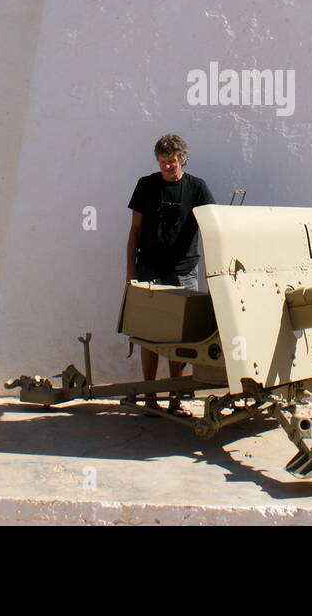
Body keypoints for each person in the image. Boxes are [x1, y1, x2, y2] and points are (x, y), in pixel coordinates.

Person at [126, 133, 215, 416]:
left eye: (172, 162)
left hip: (184, 272)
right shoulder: (146, 186)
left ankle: (176, 400)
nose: (166, 167)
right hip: (149, 270)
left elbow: (213, 226)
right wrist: (130, 273)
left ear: (183, 160)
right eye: (163, 162)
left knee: (182, 340)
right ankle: (150, 396)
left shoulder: (197, 188)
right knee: (148, 336)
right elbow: (135, 231)